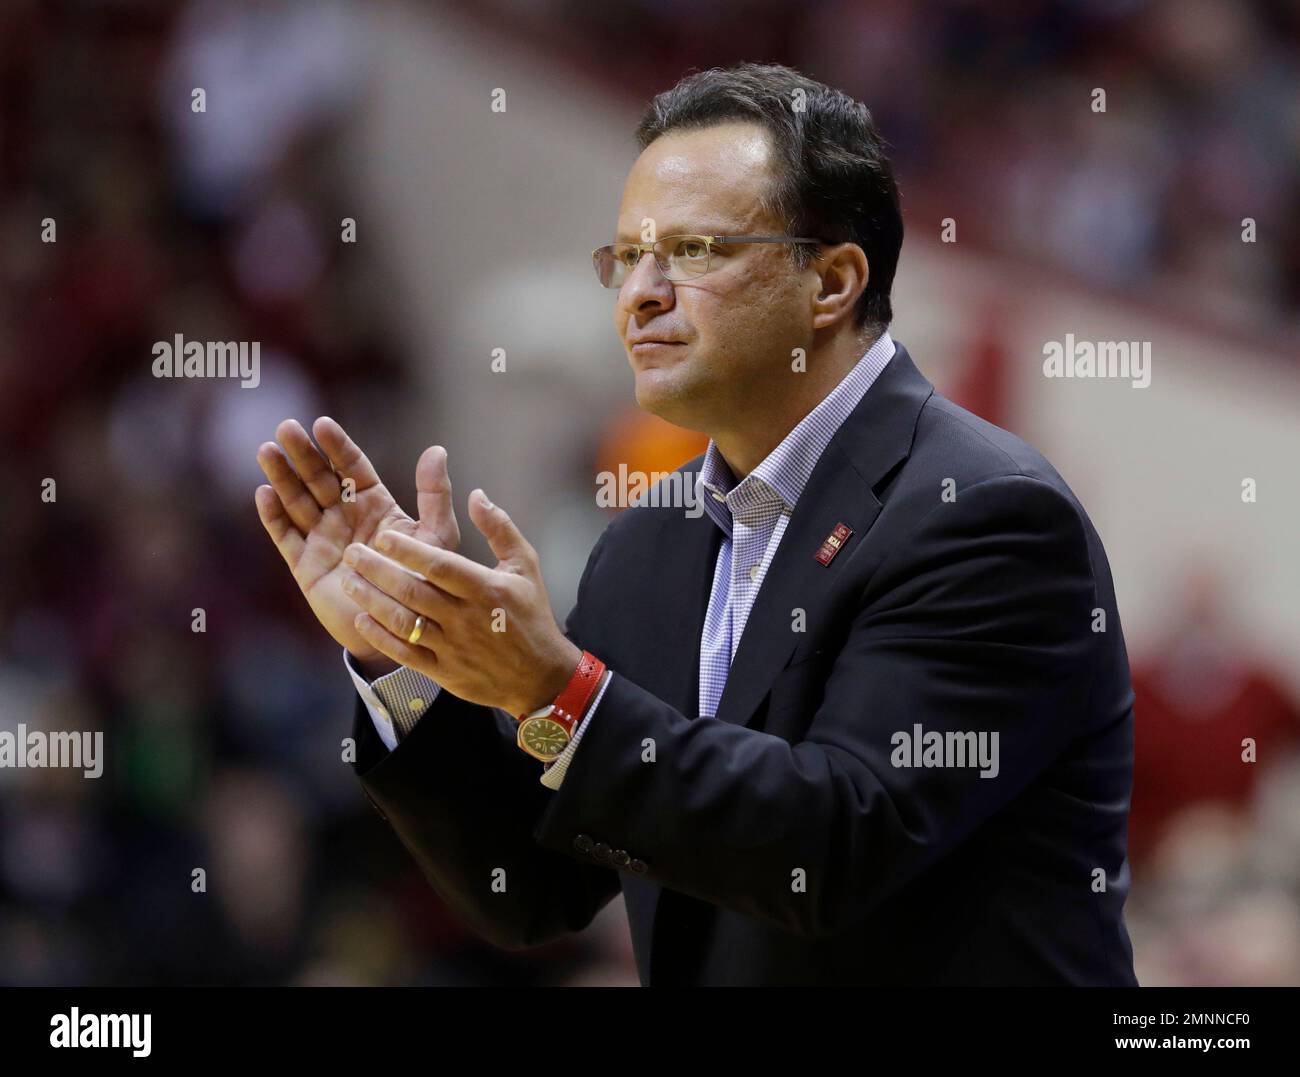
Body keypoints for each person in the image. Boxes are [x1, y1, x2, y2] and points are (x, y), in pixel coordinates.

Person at [254, 63, 1138, 986]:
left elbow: (835, 844)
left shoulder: (986, 515)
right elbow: (529, 887)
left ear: (831, 281)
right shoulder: (650, 541)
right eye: (626, 255)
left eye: (693, 251)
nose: (638, 292)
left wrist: (561, 692)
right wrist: (405, 654)